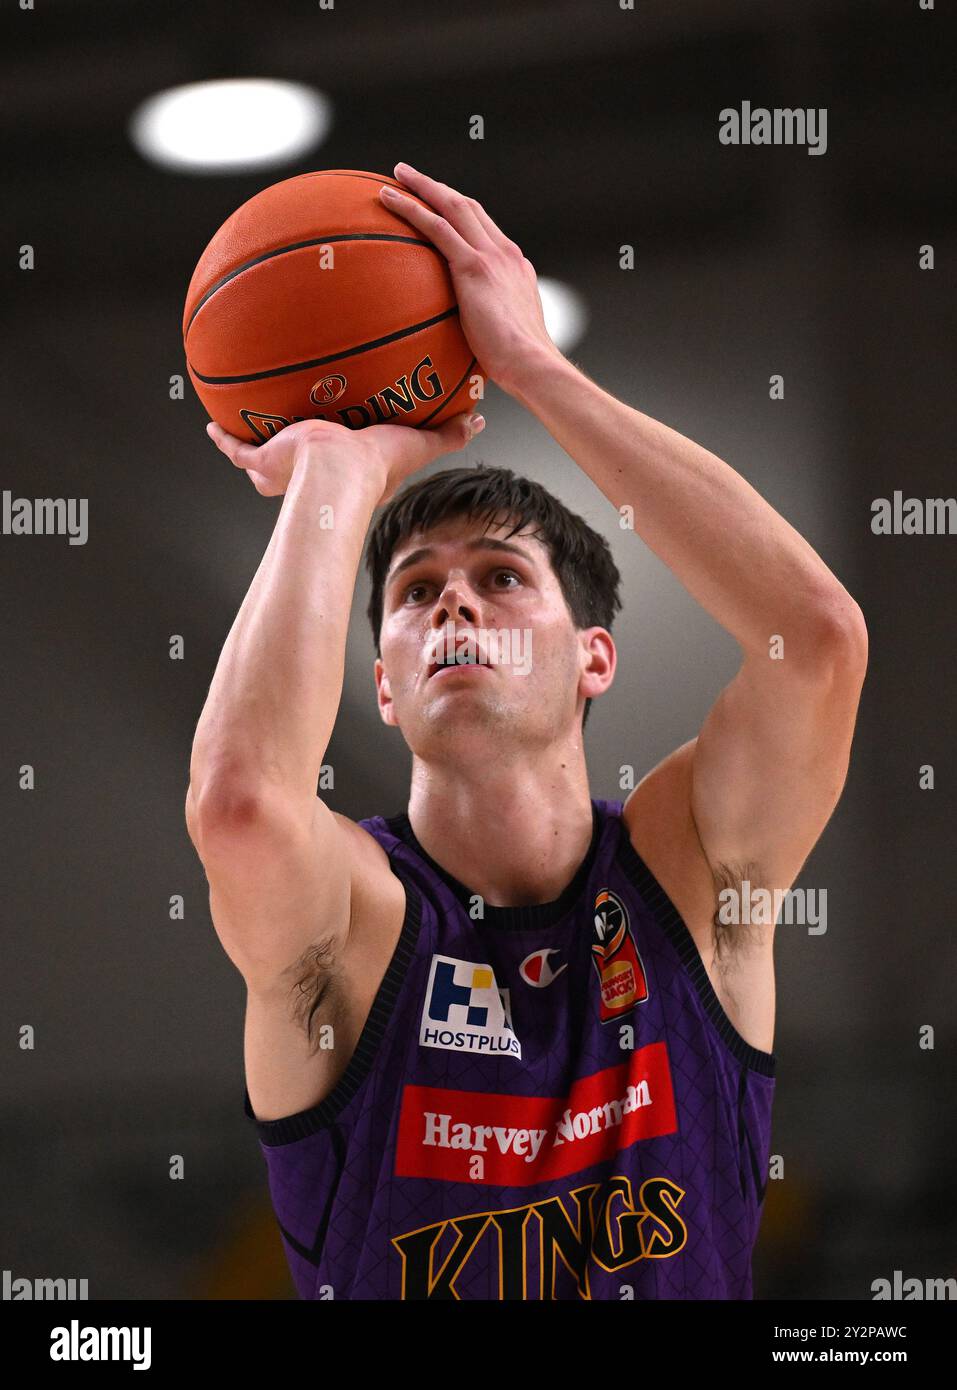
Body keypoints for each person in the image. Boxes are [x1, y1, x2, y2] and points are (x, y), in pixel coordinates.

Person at [187, 163, 867, 1300]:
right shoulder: (357, 922)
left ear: (595, 655)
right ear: (387, 688)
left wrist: (535, 369)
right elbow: (242, 803)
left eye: (500, 577)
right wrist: (334, 480)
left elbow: (819, 637)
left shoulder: (686, 876)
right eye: (413, 593)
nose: (452, 602)